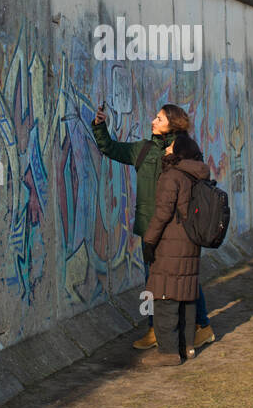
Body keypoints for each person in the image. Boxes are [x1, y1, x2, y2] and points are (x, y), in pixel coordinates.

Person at [91, 103, 215, 350]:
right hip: (151, 230)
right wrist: (99, 126)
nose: (153, 121)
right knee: (151, 283)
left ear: (173, 123)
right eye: (155, 118)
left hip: (180, 232)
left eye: (159, 119)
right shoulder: (143, 150)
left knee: (185, 278)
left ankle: (203, 326)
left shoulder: (186, 150)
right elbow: (111, 148)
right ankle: (154, 329)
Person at [139, 132, 211, 366]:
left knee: (165, 297)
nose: (167, 149)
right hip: (191, 242)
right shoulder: (198, 174)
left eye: (171, 146)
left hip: (170, 243)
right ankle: (187, 347)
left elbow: (162, 214)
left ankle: (168, 353)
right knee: (187, 295)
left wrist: (149, 241)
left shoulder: (172, 176)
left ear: (179, 151)